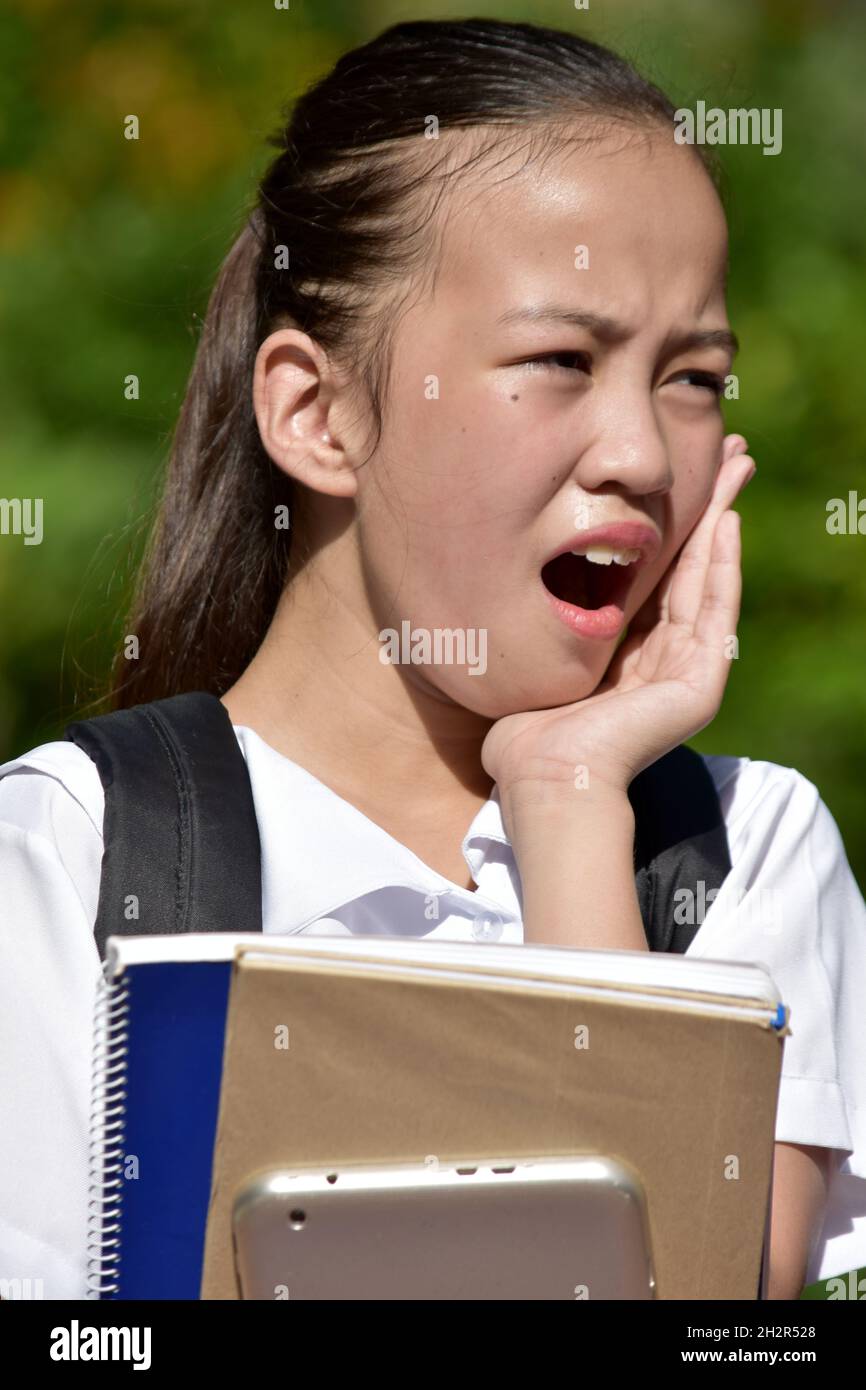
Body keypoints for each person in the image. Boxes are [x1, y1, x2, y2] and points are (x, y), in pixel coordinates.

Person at [1, 18, 864, 1302]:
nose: (639, 452)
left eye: (692, 377)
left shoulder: (742, 854)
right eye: (560, 360)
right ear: (316, 413)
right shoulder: (67, 861)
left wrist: (569, 802)